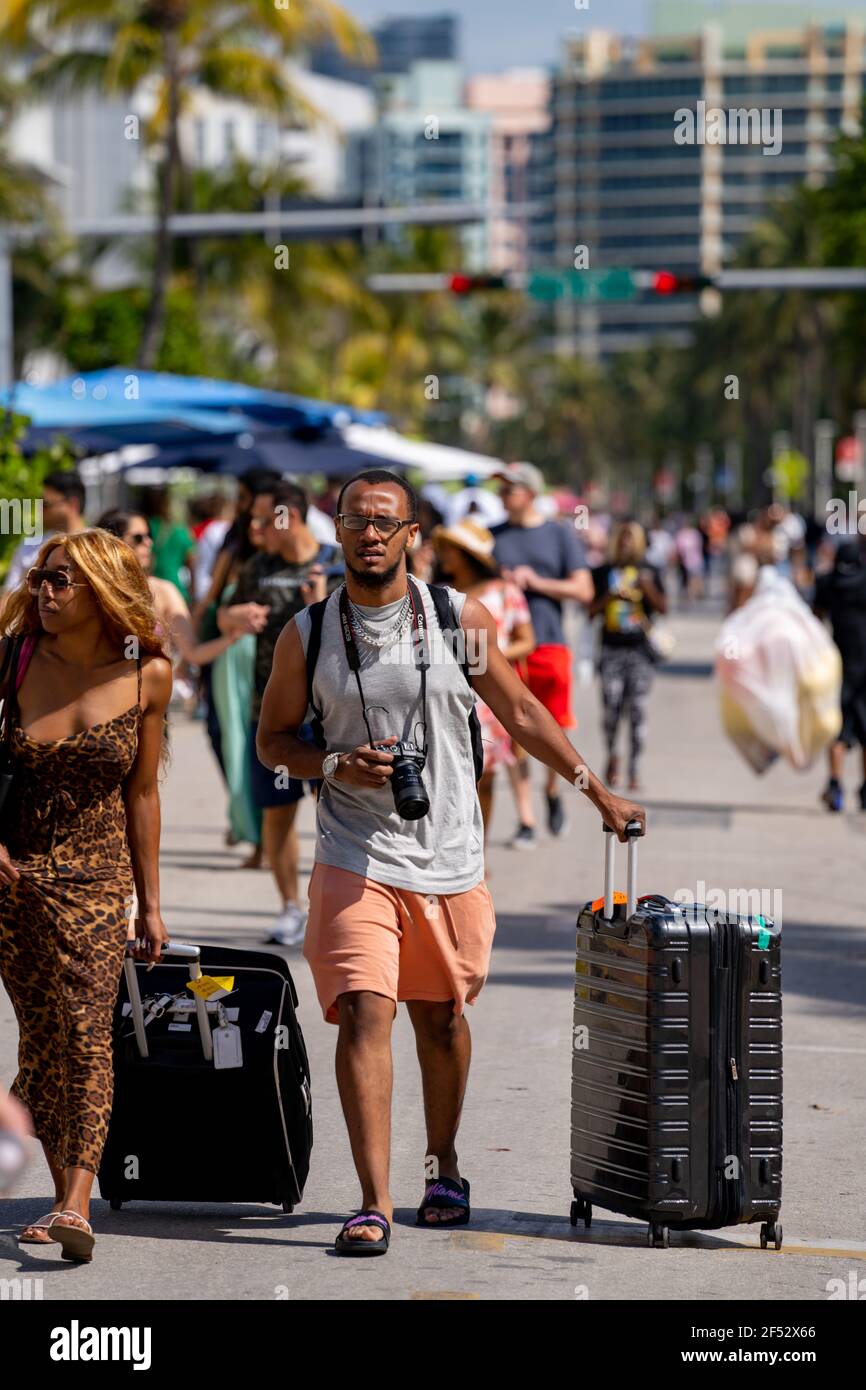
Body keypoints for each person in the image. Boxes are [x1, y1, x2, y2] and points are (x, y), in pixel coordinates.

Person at [256, 468, 645, 1255]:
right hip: (352, 849)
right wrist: (335, 764)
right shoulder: (307, 633)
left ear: (411, 537)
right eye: (357, 520)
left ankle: (445, 1162)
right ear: (336, 530)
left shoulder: (453, 617)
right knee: (365, 1008)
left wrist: (596, 790)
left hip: (449, 855)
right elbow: (272, 741)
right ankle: (374, 1201)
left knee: (440, 1020)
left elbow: (522, 711)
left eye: (386, 522)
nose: (371, 533)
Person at [0, 529, 172, 1261]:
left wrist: (153, 903)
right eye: (42, 576)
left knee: (87, 1034)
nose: (46, 590)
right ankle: (54, 1196)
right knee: (43, 1040)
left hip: (100, 880)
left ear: (103, 590)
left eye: (63, 580)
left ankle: (77, 1201)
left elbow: (143, 794)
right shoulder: (12, 656)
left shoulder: (146, 674)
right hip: (12, 875)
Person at [218, 480, 336, 944]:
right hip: (270, 712)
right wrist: (237, 617)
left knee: (337, 809)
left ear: (292, 516)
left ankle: (337, 904)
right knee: (278, 811)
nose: (256, 528)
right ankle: (290, 908)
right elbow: (223, 617)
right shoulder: (258, 567)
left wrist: (319, 606)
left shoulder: (337, 562)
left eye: (265, 519)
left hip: (331, 713)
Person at [491, 462, 592, 847]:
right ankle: (526, 819)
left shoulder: (559, 535)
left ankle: (552, 788)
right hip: (506, 647)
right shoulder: (491, 537)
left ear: (530, 493)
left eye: (510, 490)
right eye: (500, 490)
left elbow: (583, 591)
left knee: (555, 726)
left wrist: (536, 582)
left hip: (550, 643)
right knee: (511, 729)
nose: (503, 497)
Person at [431, 518, 535, 857]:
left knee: (484, 779)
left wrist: (491, 656)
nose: (443, 555)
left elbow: (527, 641)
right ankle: (447, 852)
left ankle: (477, 852)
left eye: (450, 549)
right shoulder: (437, 594)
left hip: (488, 699)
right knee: (444, 777)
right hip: (445, 693)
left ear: (466, 554)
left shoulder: (505, 593)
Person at [95, 509, 239, 670]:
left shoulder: (163, 591)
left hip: (148, 692)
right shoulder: (93, 592)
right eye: (138, 538)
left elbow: (193, 652)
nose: (148, 543)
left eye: (149, 535)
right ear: (112, 542)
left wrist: (232, 638)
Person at [589, 521, 667, 794]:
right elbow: (589, 611)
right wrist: (609, 596)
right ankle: (612, 755)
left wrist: (648, 589)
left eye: (630, 539)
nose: (625, 544)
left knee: (638, 711)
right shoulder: (603, 572)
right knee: (611, 710)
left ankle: (634, 768)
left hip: (640, 651)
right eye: (621, 538)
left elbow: (663, 608)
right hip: (611, 649)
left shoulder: (650, 571)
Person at [814, 537, 866, 813]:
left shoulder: (828, 583)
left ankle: (835, 784)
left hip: (839, 664)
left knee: (838, 729)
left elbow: (815, 616)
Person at [2, 470, 86, 594]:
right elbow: (8, 596)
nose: (39, 509)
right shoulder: (29, 545)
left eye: (46, 504)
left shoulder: (96, 547)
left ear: (72, 504)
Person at [140, 487, 196, 602]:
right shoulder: (180, 531)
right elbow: (192, 563)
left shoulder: (142, 529)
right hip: (177, 590)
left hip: (149, 591)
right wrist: (193, 592)